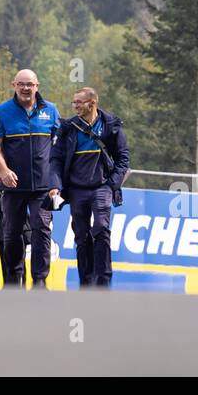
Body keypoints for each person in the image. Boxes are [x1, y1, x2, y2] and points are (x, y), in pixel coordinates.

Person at [49, 87, 130, 288]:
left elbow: (123, 158)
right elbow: (56, 159)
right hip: (76, 190)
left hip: (102, 187)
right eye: (73, 102)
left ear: (92, 103)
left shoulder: (111, 125)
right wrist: (56, 186)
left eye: (79, 102)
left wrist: (112, 184)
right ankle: (86, 282)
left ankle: (103, 282)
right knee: (82, 236)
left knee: (102, 229)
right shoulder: (67, 127)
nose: (75, 105)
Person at [0, 69, 60, 288]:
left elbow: (61, 146)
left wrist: (56, 181)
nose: (26, 88)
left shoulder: (51, 110)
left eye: (30, 84)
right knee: (12, 233)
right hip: (13, 185)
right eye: (21, 84)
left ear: (37, 85)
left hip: (43, 187)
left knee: (42, 229)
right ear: (14, 85)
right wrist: (4, 171)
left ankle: (39, 280)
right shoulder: (2, 111)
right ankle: (13, 280)